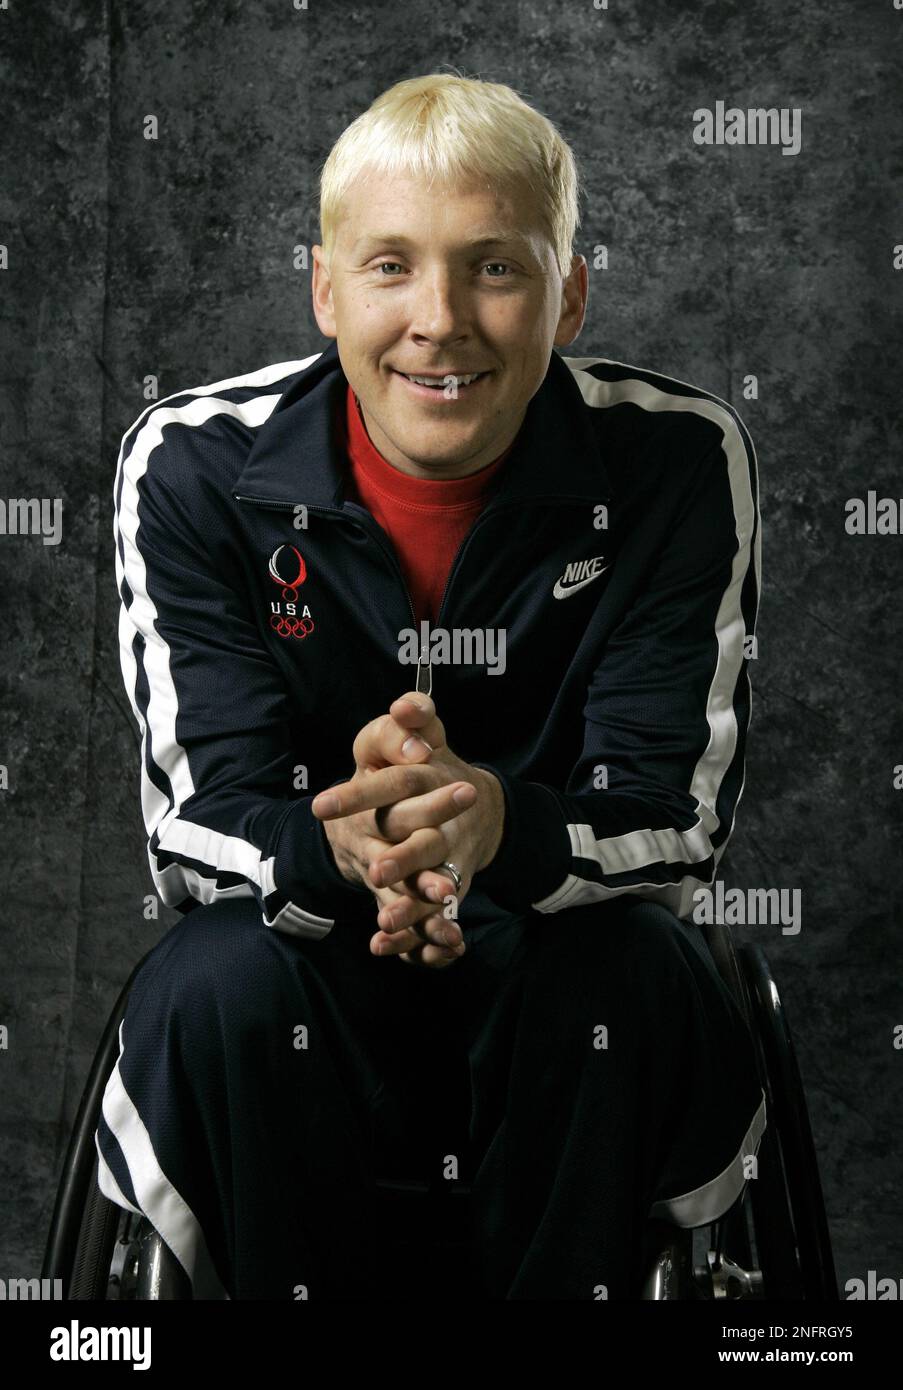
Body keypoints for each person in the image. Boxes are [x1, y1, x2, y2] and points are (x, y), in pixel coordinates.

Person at [95, 70, 766, 1300]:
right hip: (305, 956)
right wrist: (354, 846)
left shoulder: (677, 456)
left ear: (568, 294)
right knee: (212, 981)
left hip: (559, 967)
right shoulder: (189, 463)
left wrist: (497, 825)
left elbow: (672, 824)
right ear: (325, 288)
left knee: (638, 973)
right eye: (391, 266)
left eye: (494, 268)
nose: (439, 319)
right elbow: (197, 829)